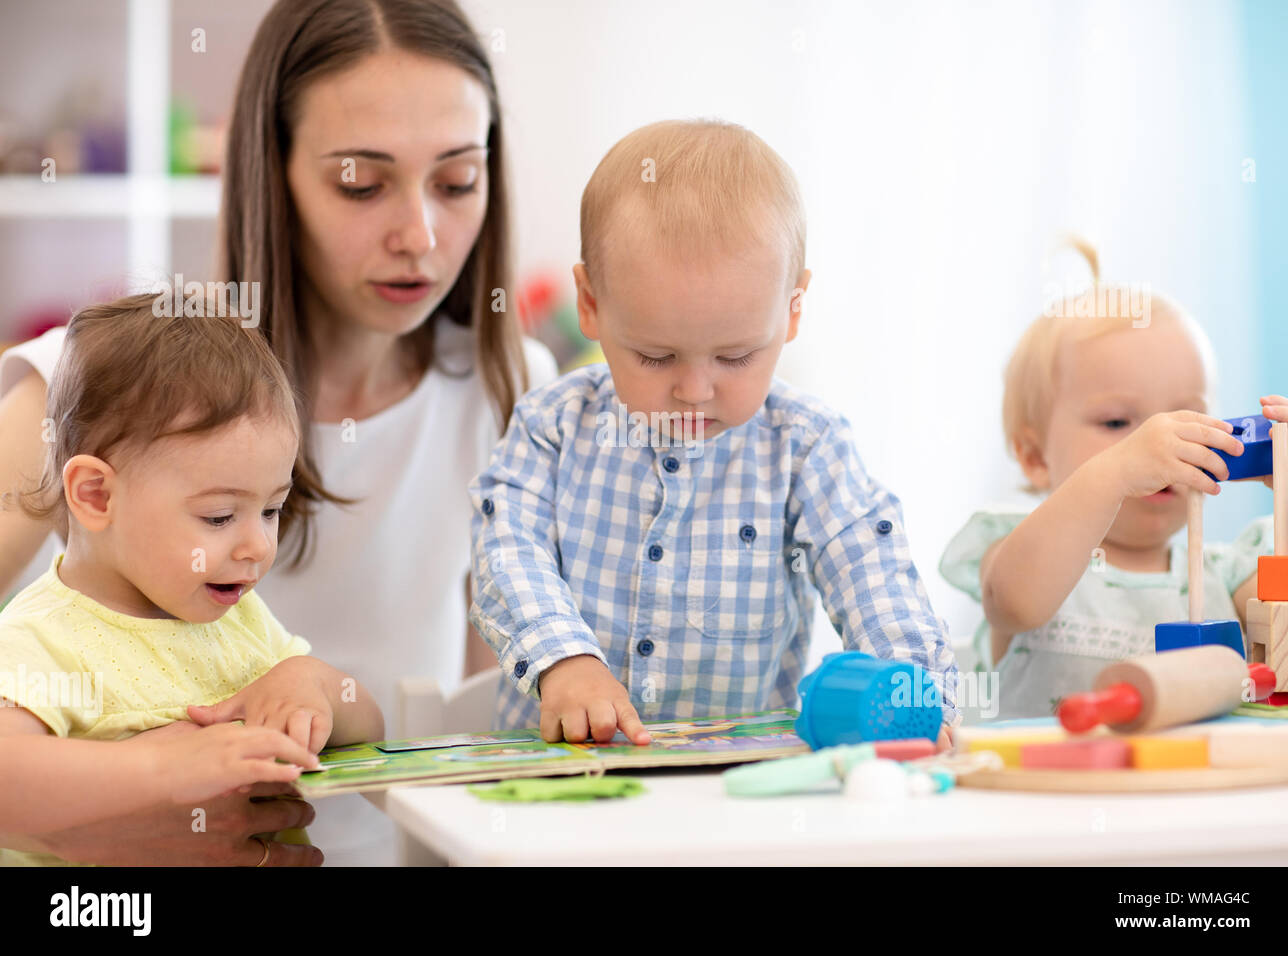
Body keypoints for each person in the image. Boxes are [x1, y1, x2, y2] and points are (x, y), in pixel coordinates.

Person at [0, 0, 553, 866]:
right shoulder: (91, 385)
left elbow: (488, 717)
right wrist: (107, 827)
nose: (421, 235)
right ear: (271, 170)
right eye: (361, 183)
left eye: (456, 180)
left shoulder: (511, 392)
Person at [469, 119, 958, 747]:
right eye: (654, 356)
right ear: (590, 303)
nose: (694, 390)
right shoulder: (551, 428)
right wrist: (565, 660)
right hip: (555, 786)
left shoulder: (806, 447)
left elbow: (871, 569)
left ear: (793, 310)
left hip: (734, 791)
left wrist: (914, 693)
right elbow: (506, 551)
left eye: (735, 357)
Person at [0, 295, 384, 866]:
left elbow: (369, 726)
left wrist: (312, 684)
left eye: (272, 510)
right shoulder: (43, 637)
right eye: (220, 517)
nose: (257, 545)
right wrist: (167, 769)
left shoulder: (243, 621)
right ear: (96, 495)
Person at [939, 241, 1288, 719]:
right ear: (1033, 456)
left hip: (1193, 787)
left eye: (1185, 419)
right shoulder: (1020, 547)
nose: (1157, 441)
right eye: (1116, 424)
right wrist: (1117, 471)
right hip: (1044, 788)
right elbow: (1015, 603)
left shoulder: (1227, 574)